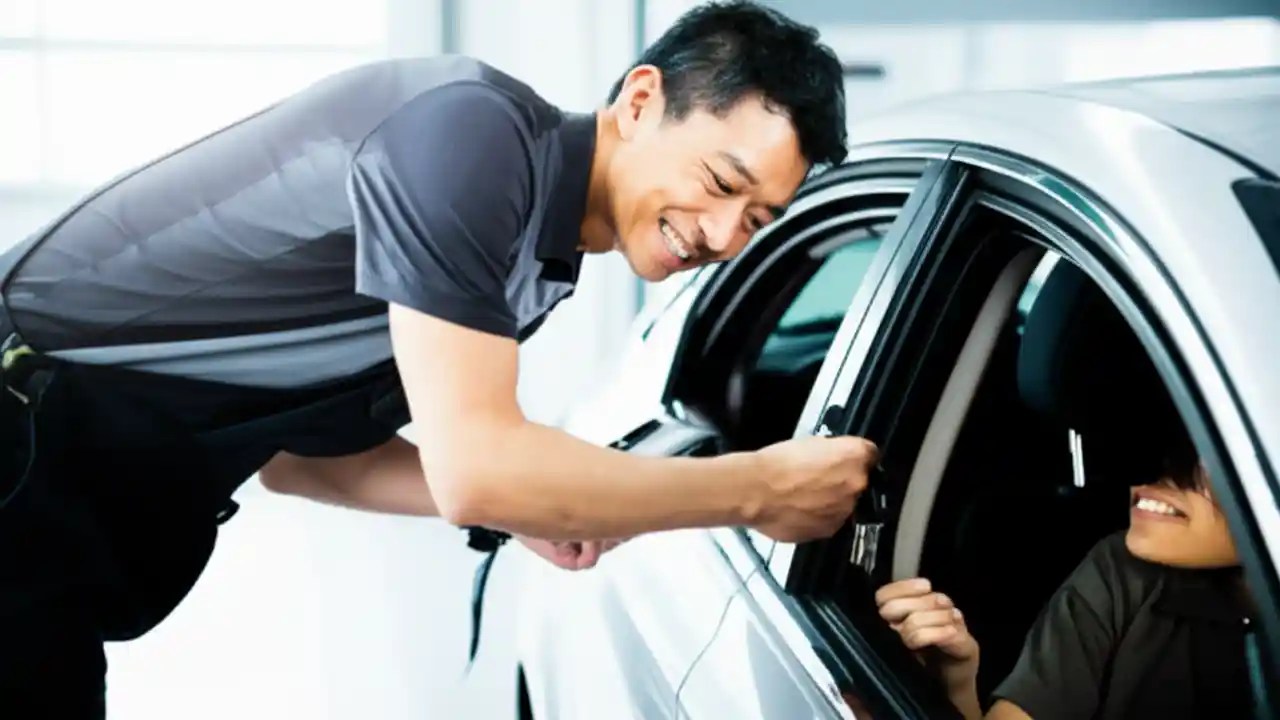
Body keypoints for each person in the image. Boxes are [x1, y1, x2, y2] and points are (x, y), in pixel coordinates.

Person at [0, 1, 877, 715]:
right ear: (641, 100)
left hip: (56, 546)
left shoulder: (534, 249)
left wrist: (530, 508)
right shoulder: (472, 141)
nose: (723, 235)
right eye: (722, 183)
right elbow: (478, 469)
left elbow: (306, 465)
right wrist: (761, 490)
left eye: (758, 221)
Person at [876, 460, 1257, 720]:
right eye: (1155, 432)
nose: (1157, 466)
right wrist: (957, 684)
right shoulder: (1126, 574)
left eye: (1204, 436)